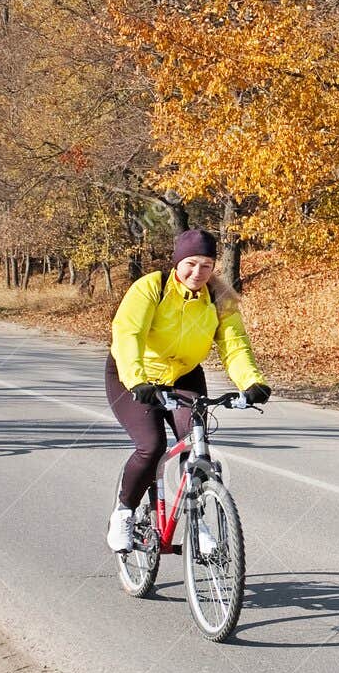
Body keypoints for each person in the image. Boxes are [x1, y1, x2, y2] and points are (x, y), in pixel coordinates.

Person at [105, 228, 271, 552]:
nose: (198, 272)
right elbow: (128, 336)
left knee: (196, 448)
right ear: (177, 262)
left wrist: (251, 383)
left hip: (184, 376)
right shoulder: (151, 288)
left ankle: (198, 526)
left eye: (206, 265)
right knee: (151, 447)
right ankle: (124, 513)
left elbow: (235, 348)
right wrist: (138, 382)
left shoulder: (219, 301)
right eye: (191, 264)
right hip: (133, 377)